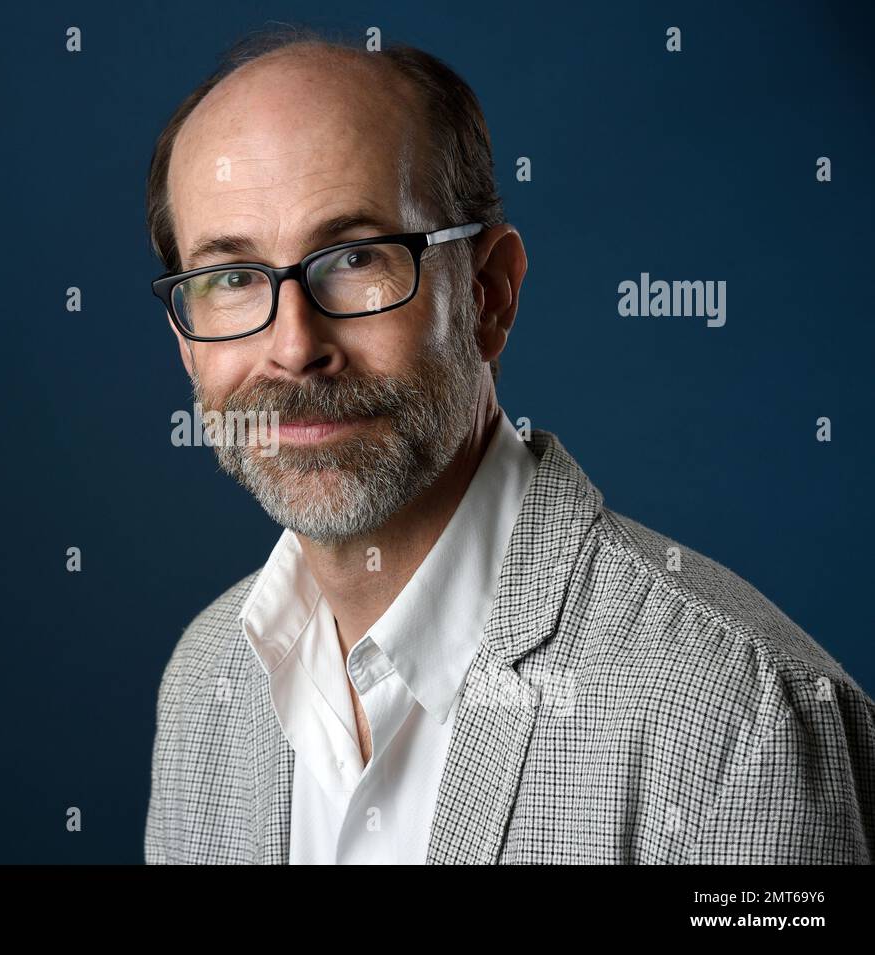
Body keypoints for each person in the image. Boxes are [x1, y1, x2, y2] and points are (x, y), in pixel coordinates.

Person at [142, 28, 875, 864]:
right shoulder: (205, 682)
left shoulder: (741, 719)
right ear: (186, 336)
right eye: (232, 278)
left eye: (355, 258)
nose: (294, 345)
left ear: (489, 295)